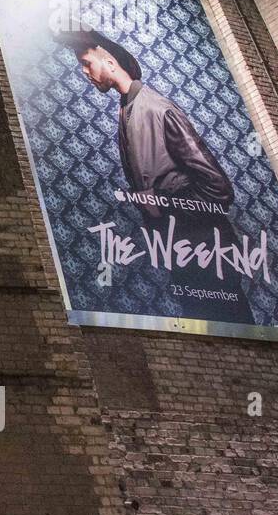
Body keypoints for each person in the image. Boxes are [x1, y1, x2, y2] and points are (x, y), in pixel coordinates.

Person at [55, 28, 255, 323]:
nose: (85, 72)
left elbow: (219, 189)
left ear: (110, 63)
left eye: (88, 63)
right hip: (180, 249)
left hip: (207, 250)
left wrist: (162, 205)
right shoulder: (128, 108)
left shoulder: (156, 109)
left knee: (234, 328)